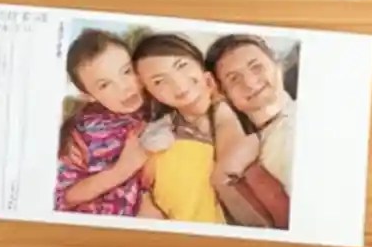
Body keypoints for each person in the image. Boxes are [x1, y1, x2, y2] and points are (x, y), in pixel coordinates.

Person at [132, 34, 253, 224]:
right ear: (150, 92)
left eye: (181, 66)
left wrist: (219, 104)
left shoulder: (243, 103)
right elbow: (141, 186)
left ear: (199, 64)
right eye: (159, 81)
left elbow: (233, 155)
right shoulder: (157, 132)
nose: (178, 83)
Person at [54, 29, 151, 216]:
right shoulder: (82, 132)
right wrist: (121, 170)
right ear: (89, 95)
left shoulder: (158, 102)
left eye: (126, 71)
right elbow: (64, 196)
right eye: (105, 85)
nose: (124, 87)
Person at [205, 34, 296, 195]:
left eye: (256, 67)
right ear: (225, 94)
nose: (250, 82)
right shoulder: (270, 147)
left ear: (278, 65)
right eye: (234, 79)